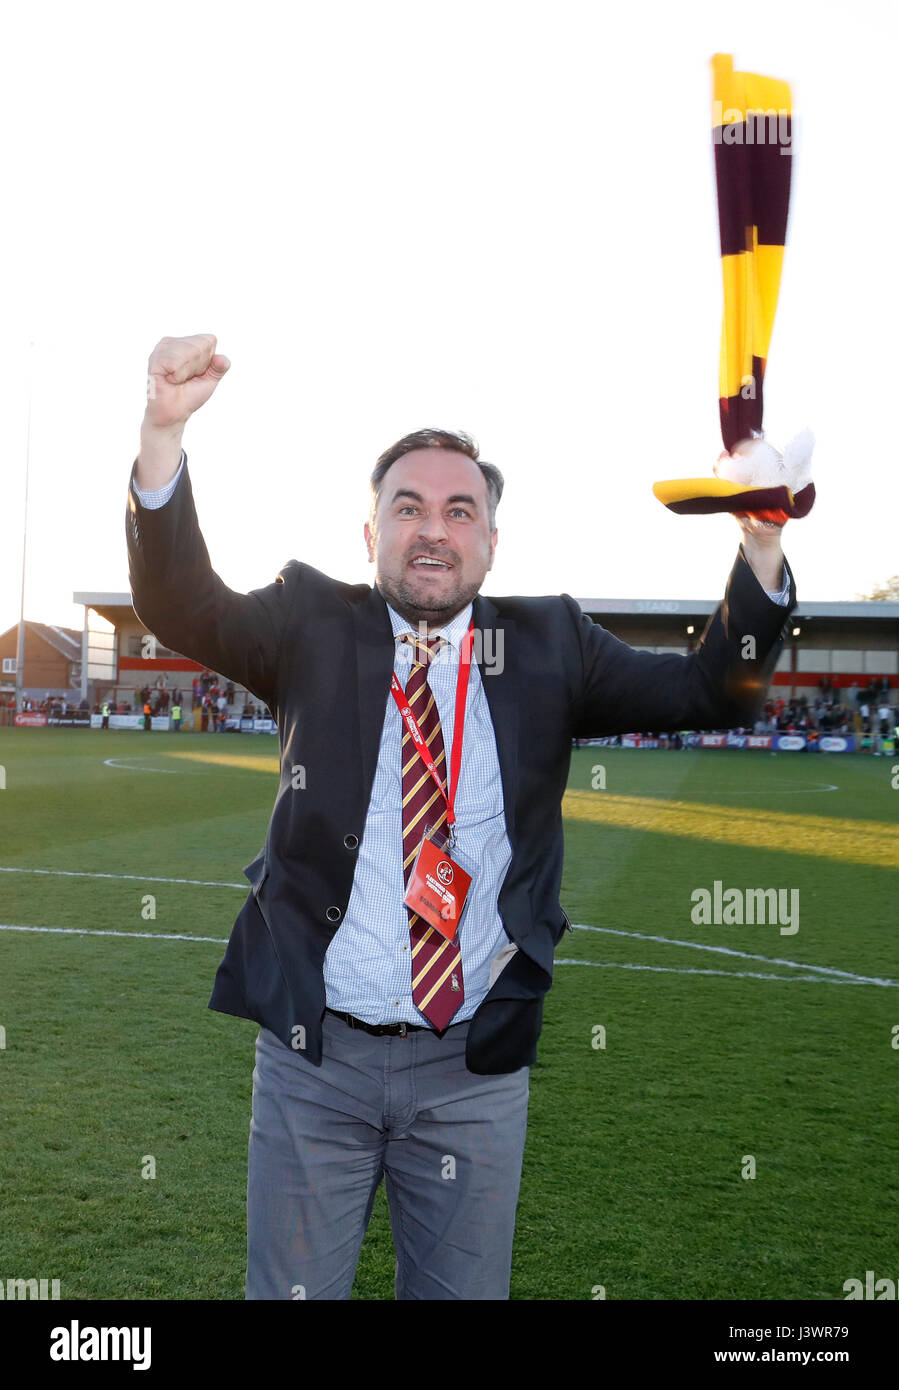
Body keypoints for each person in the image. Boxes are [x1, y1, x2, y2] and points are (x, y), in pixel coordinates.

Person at [126, 332, 797, 1302]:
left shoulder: (548, 643)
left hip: (471, 1072)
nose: (431, 529)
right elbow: (177, 601)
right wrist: (160, 435)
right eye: (406, 508)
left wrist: (760, 541)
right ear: (368, 536)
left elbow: (714, 691)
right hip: (317, 1060)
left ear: (490, 540)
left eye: (457, 509)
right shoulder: (309, 624)